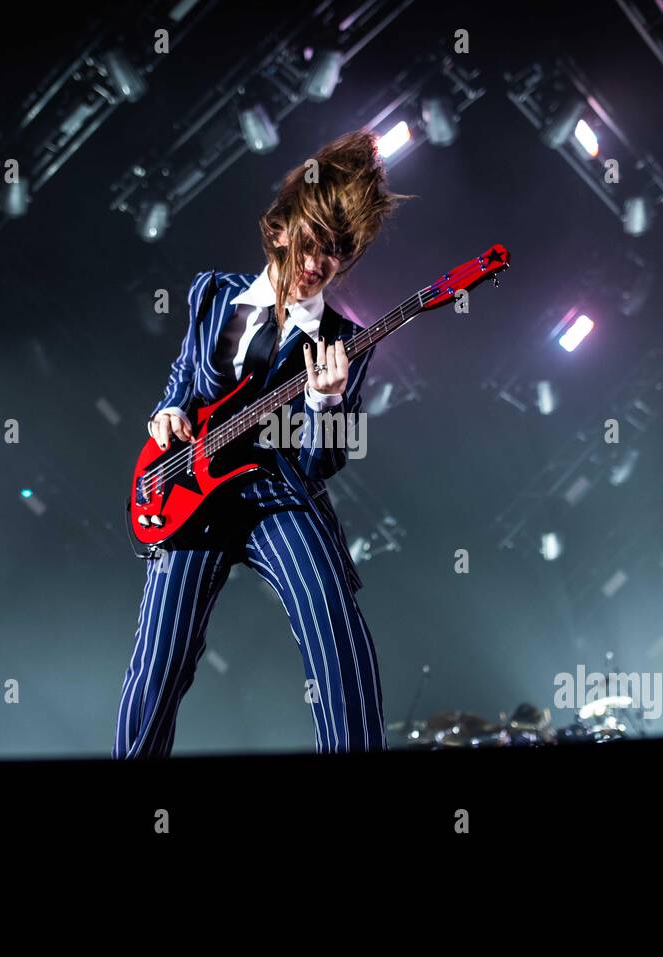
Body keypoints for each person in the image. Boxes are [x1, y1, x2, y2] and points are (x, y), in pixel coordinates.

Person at [113, 130, 408, 757]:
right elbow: (184, 382)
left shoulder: (345, 340)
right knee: (158, 665)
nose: (318, 261)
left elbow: (323, 460)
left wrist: (325, 401)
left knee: (337, 634)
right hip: (189, 494)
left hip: (279, 493)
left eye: (336, 252)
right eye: (310, 241)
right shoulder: (212, 296)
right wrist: (166, 413)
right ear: (278, 229)